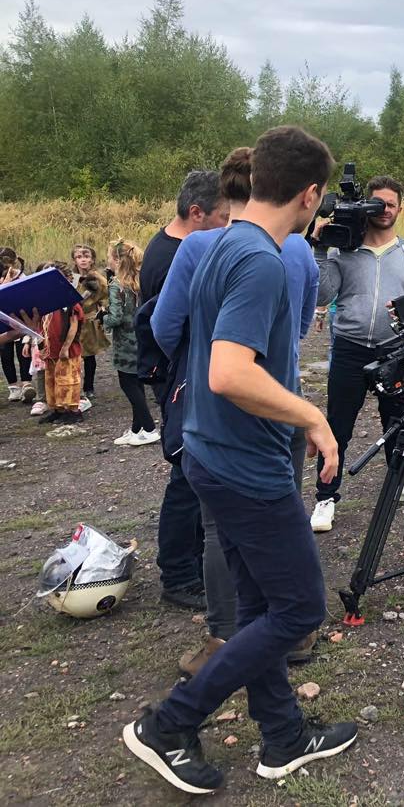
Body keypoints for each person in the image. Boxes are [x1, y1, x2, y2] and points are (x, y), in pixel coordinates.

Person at [122, 125, 354, 795]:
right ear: (309, 195)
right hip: (243, 466)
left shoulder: (218, 244)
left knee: (260, 606)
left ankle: (281, 736)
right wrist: (311, 415)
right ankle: (169, 725)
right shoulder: (259, 261)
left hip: (207, 452)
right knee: (301, 607)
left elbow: (192, 349)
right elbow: (227, 372)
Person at [152, 146, 320, 677]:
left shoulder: (204, 245)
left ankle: (227, 642)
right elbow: (297, 328)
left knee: (223, 536)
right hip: (279, 406)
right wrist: (304, 409)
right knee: (279, 535)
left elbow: (163, 328)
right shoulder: (295, 250)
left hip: (219, 420)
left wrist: (200, 360)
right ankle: (279, 641)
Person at [310, 176, 404, 532]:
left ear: (400, 208)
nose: (384, 211)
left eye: (391, 205)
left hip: (394, 350)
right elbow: (322, 297)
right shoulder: (343, 252)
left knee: (397, 425)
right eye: (378, 204)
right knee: (337, 427)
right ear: (367, 205)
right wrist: (319, 249)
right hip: (349, 349)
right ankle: (325, 497)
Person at [144, 169, 227, 612]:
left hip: (185, 376)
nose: (227, 227)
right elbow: (164, 326)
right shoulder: (171, 256)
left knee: (194, 475)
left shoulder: (180, 245)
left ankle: (192, 561)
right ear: (196, 213)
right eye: (222, 217)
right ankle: (177, 574)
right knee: (185, 476)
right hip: (181, 379)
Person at [141, 170, 231, 303]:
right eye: (226, 217)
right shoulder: (177, 261)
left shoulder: (161, 243)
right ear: (196, 213)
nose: (229, 226)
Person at [104, 241, 158, 446]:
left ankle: (150, 428)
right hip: (141, 339)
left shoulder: (116, 285)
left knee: (129, 386)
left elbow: (115, 317)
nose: (107, 260)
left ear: (117, 260)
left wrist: (103, 319)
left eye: (109, 256)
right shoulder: (140, 280)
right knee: (137, 384)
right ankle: (137, 429)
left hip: (124, 344)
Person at [38, 263, 86, 425]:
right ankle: (57, 409)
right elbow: (40, 324)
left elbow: (74, 324)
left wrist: (66, 347)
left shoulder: (69, 300)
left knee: (68, 379)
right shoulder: (44, 300)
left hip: (67, 350)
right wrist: (39, 344)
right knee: (51, 380)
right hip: (50, 349)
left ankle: (72, 410)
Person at [71, 244, 109, 400]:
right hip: (73, 321)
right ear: (74, 260)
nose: (83, 260)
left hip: (89, 320)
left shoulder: (98, 279)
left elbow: (106, 297)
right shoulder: (71, 278)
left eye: (86, 256)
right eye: (79, 257)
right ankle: (74, 385)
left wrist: (102, 311)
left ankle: (89, 386)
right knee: (73, 354)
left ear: (92, 259)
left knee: (89, 356)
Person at [1, 248, 35, 403]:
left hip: (21, 318)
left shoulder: (22, 276)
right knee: (5, 354)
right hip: (3, 321)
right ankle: (13, 386)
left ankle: (26, 384)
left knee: (24, 352)